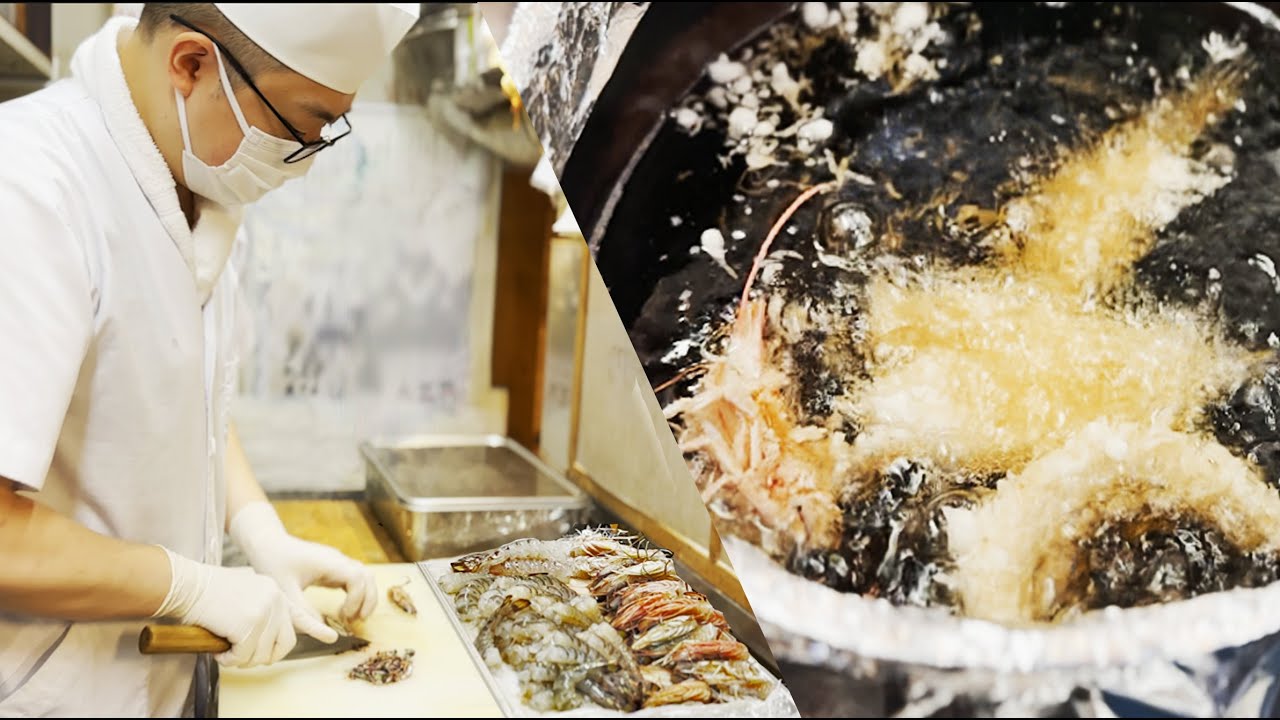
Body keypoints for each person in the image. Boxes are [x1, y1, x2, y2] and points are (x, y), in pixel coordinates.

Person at [0, 3, 420, 716]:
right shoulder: (31, 189)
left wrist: (257, 527)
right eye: (300, 127)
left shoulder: (202, 184)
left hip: (163, 680)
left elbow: (192, 400)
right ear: (193, 65)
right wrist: (190, 587)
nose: (305, 162)